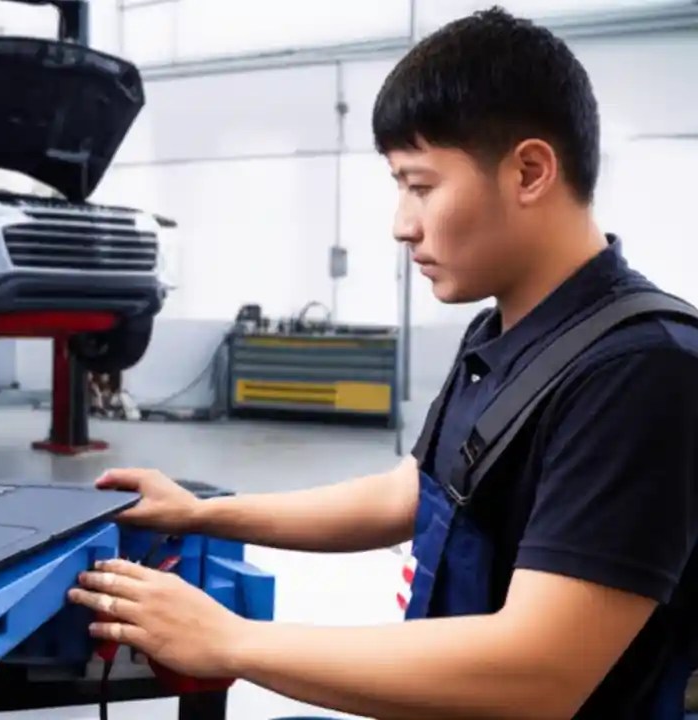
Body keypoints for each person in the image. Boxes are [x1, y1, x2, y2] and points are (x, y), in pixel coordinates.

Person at [66, 7, 698, 719]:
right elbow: (417, 493)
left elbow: (541, 673)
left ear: (529, 171)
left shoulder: (641, 371)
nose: (402, 223)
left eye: (421, 185)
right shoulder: (505, 333)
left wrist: (234, 642)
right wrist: (205, 513)